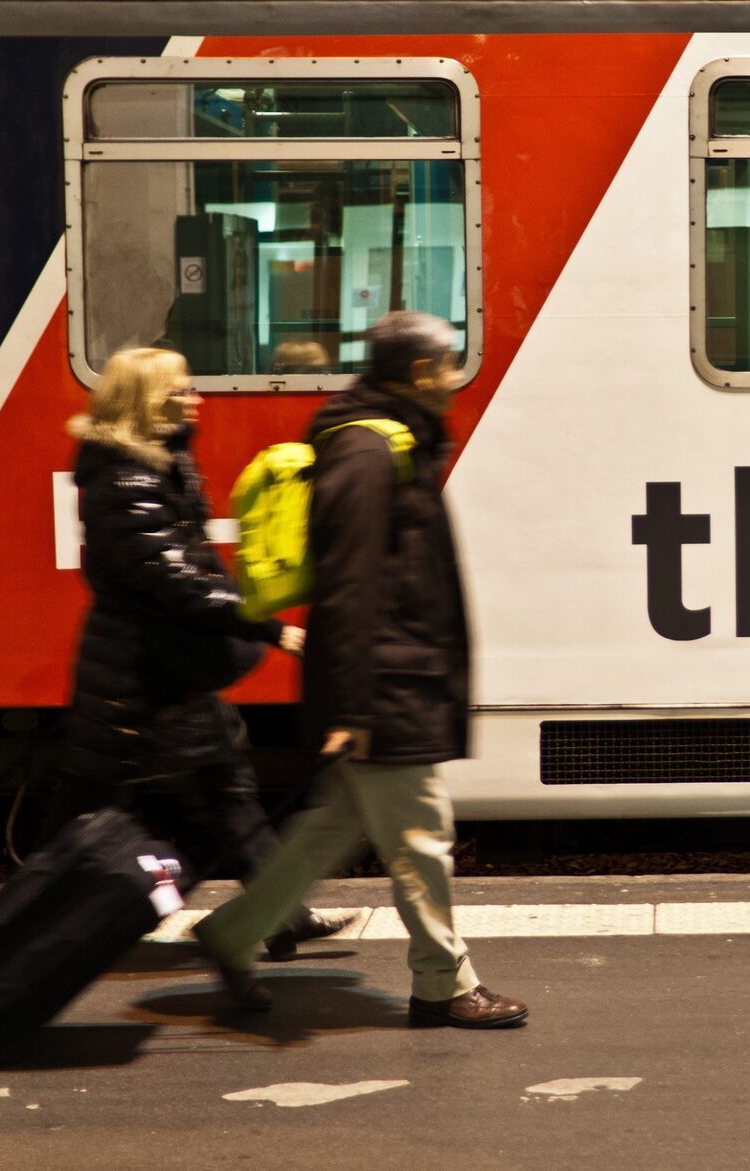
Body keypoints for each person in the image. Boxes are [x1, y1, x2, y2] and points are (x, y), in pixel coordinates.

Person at [193, 313, 527, 1028]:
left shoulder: (390, 441)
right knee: (421, 838)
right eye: (446, 365)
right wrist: (351, 705)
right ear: (418, 374)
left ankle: (232, 933)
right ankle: (445, 982)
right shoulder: (366, 452)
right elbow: (348, 588)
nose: (454, 378)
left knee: (331, 826)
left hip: (391, 678)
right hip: (382, 685)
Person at [45, 346, 340, 961]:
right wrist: (268, 627)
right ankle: (38, 927)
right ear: (147, 403)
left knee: (225, 786)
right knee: (91, 805)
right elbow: (176, 578)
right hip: (137, 672)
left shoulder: (154, 462)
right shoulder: (125, 478)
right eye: (181, 392)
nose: (195, 399)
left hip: (162, 662)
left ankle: (282, 916)